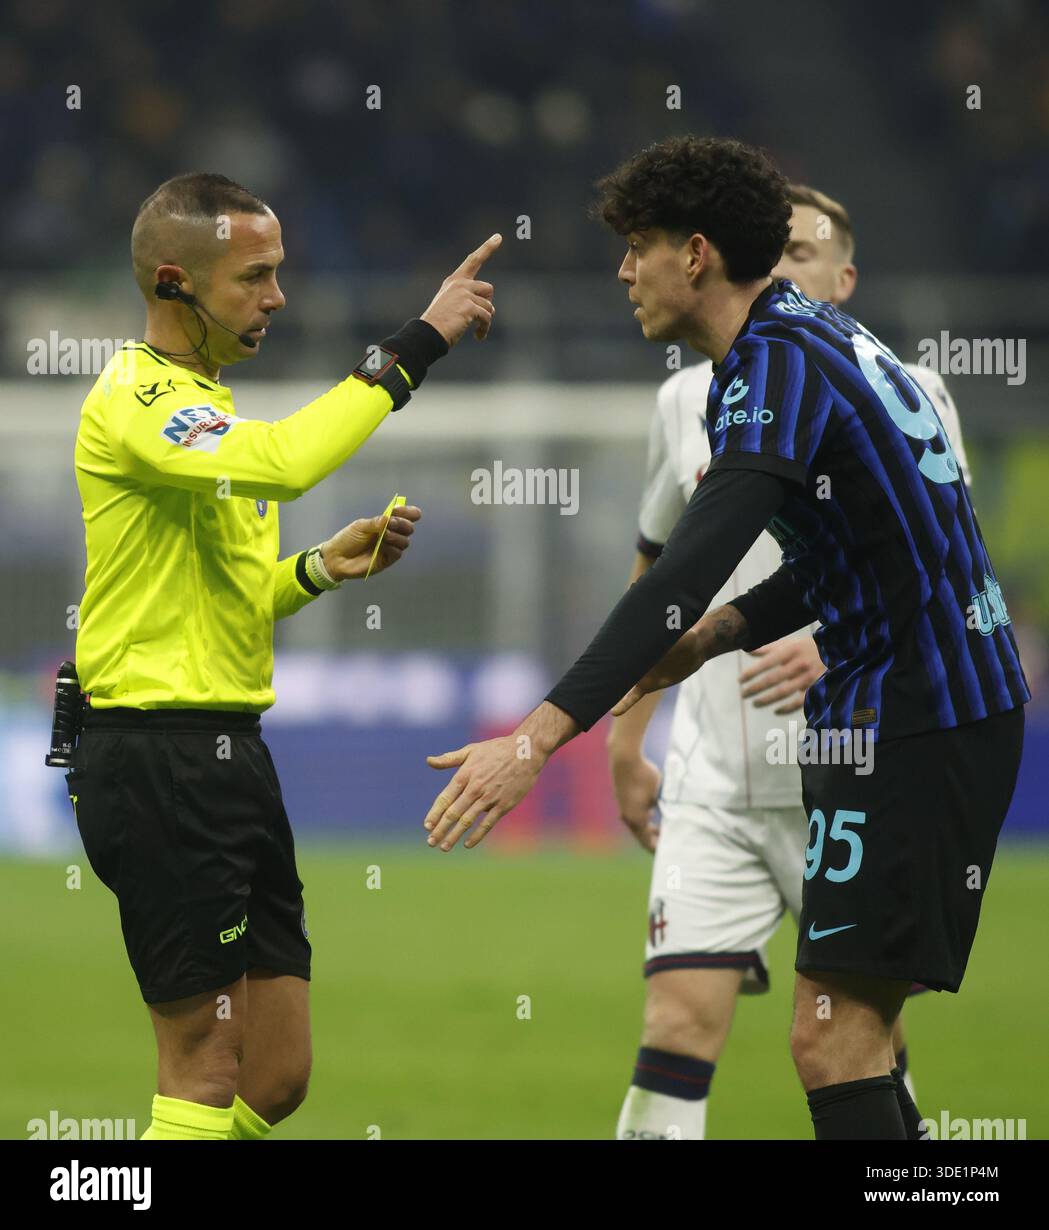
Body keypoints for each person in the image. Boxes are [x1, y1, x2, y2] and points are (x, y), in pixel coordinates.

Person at [423, 136, 1028, 1141]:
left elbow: (681, 568)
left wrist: (531, 740)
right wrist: (711, 640)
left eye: (637, 246)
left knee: (830, 1040)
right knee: (853, 1038)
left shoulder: (776, 363)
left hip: (916, 719)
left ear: (694, 253)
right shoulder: (808, 341)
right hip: (921, 712)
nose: (622, 271)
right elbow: (857, 552)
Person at [69, 171, 499, 1140]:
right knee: (204, 1062)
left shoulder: (207, 411)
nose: (276, 297)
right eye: (254, 277)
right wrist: (415, 343)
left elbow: (231, 594)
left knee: (275, 1071)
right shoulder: (137, 398)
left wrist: (313, 567)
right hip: (155, 753)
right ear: (175, 280)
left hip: (226, 752)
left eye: (278, 273)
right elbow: (284, 461)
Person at [607, 180, 971, 1138]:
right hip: (715, 780)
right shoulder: (687, 395)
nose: (786, 265)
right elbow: (657, 558)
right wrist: (626, 736)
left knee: (856, 1039)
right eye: (779, 249)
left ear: (842, 279)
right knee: (676, 1024)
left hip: (848, 759)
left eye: (807, 253)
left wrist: (829, 635)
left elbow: (933, 546)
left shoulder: (907, 387)